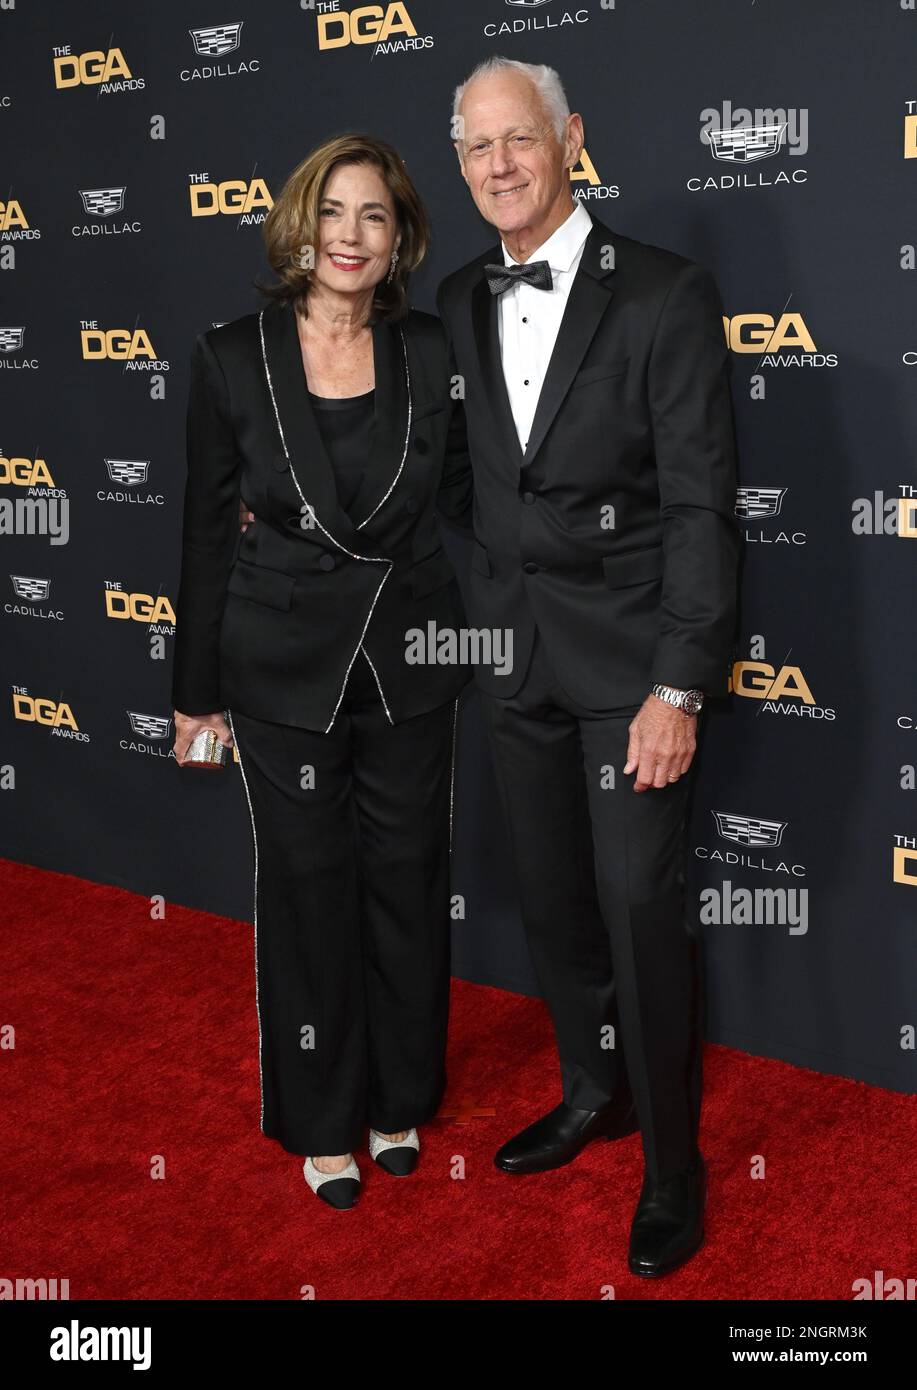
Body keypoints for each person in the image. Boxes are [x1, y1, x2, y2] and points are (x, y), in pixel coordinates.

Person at [436, 56, 741, 1275]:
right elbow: (460, 480)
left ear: (569, 139)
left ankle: (673, 1162)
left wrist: (675, 687)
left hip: (630, 679)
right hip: (512, 665)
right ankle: (591, 1092)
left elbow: (700, 510)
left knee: (636, 912)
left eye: (517, 139)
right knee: (557, 908)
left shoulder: (662, 294)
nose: (498, 165)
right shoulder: (456, 298)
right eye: (473, 148)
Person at [171, 133, 473, 1210]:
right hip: (280, 661)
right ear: (299, 227)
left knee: (405, 881)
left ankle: (397, 1097)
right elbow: (208, 532)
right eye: (333, 213)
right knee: (307, 891)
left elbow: (474, 501)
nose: (351, 237)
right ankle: (320, 1119)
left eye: (375, 217)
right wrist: (195, 695)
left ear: (401, 240)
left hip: (407, 659)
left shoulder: (433, 350)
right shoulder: (226, 354)